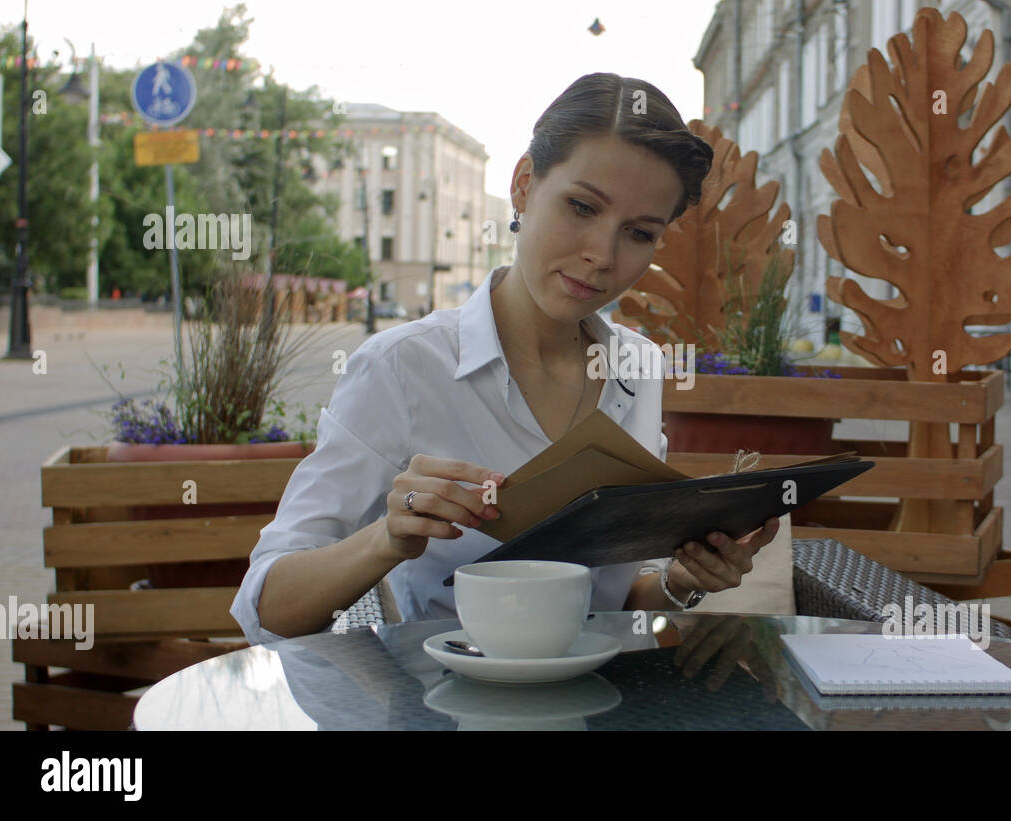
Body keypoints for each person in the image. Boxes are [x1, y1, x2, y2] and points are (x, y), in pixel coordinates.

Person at [230, 73, 782, 645]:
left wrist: (679, 580)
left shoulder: (638, 368)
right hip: (446, 705)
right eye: (581, 206)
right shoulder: (403, 368)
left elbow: (611, 605)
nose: (601, 255)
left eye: (639, 233)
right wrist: (387, 540)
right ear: (523, 186)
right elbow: (266, 609)